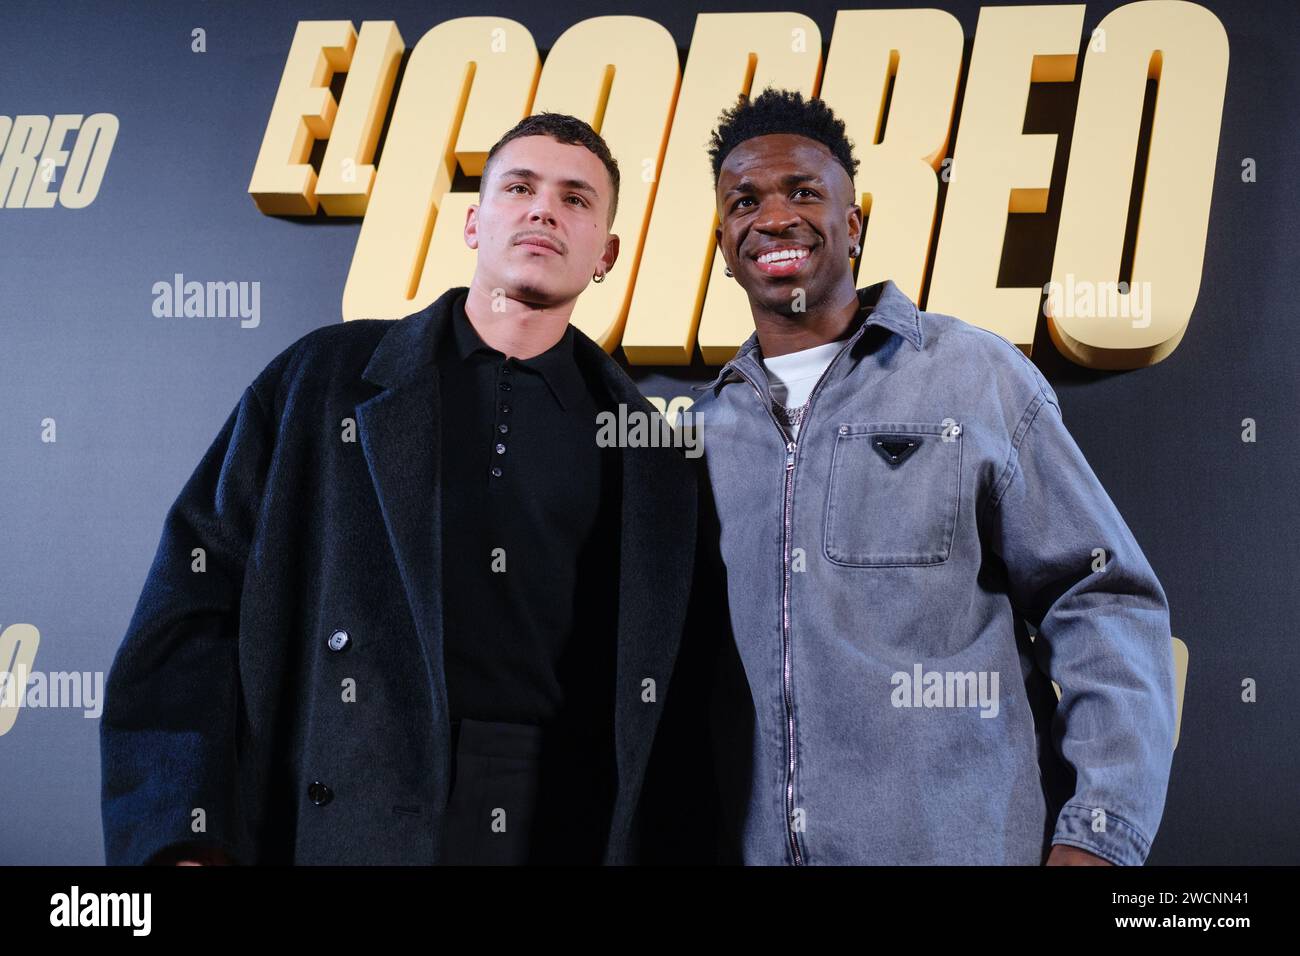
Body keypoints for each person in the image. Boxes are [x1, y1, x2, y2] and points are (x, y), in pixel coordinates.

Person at [100, 112, 712, 865]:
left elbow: (688, 710)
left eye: (576, 199)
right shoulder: (319, 383)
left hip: (558, 819)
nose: (543, 209)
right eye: (518, 187)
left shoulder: (652, 453)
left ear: (607, 254)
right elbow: (191, 612)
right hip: (345, 803)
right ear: (473, 223)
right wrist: (182, 833)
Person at [690, 88, 1177, 865]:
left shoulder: (971, 375)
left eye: (804, 192)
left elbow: (1101, 600)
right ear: (725, 242)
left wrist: (1098, 839)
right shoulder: (702, 436)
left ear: (853, 225)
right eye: (745, 201)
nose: (774, 216)